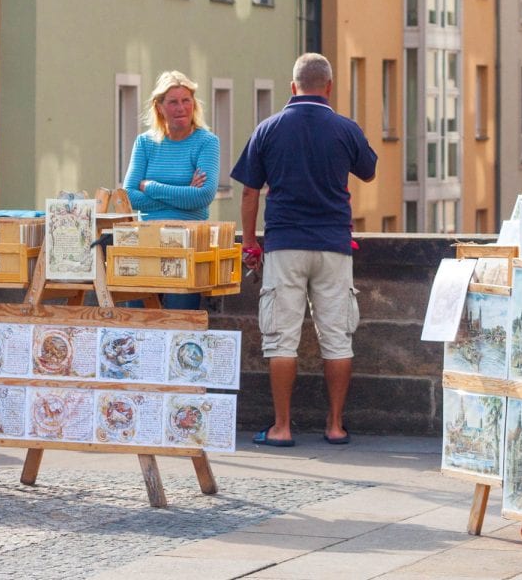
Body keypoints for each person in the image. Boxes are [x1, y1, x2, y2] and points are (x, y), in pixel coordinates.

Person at [231, 53, 376, 447]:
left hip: (284, 244)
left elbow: (249, 191)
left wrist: (249, 240)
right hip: (333, 245)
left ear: (292, 86)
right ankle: (334, 425)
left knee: (281, 339)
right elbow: (368, 170)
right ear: (329, 86)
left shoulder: (268, 129)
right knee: (337, 338)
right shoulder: (345, 128)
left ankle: (282, 427)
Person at [122, 70, 220, 309]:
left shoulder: (206, 142)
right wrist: (184, 193)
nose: (181, 108)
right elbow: (128, 197)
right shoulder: (145, 143)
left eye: (186, 100)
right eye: (173, 102)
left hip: (187, 243)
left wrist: (151, 187)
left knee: (180, 318)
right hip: (146, 242)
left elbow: (204, 195)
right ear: (160, 107)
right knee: (136, 319)